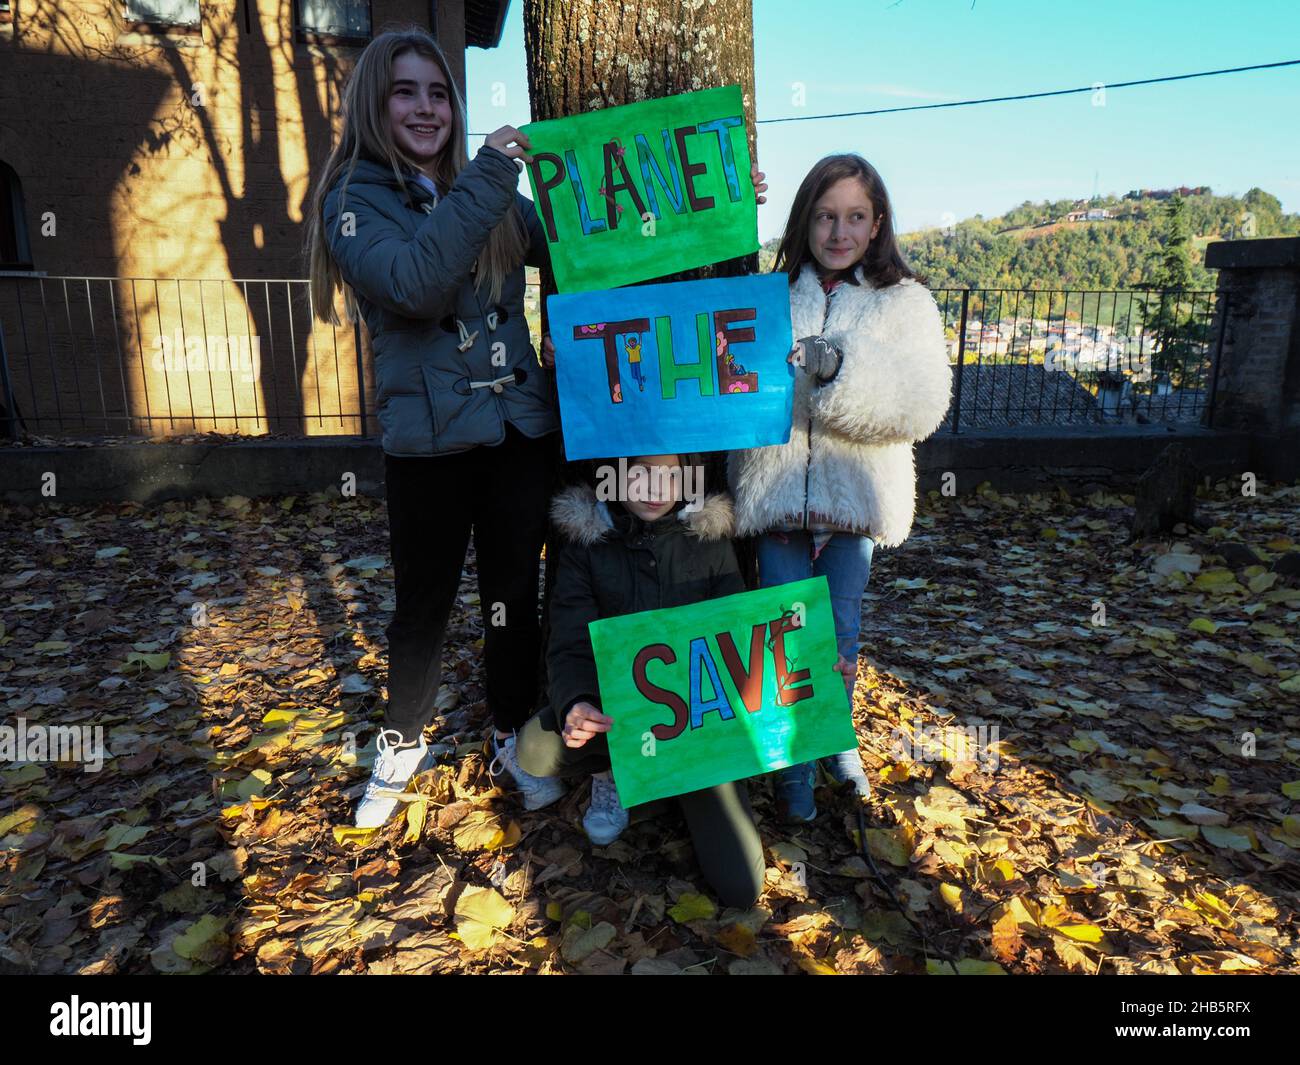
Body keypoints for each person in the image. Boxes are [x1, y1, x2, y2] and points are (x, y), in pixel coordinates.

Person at [304, 28, 565, 826]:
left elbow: (576, 236)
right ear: (375, 104)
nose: (426, 108)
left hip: (517, 431)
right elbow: (416, 282)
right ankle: (404, 739)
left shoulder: (476, 189)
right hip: (429, 448)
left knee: (514, 595)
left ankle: (512, 730)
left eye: (439, 92)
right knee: (423, 604)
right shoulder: (353, 198)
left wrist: (725, 201)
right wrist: (490, 170)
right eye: (406, 91)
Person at [728, 154, 953, 823]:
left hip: (853, 508)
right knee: (782, 640)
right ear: (805, 220)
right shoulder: (772, 296)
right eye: (825, 215)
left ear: (877, 221)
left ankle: (834, 738)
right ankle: (794, 772)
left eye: (855, 216)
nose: (838, 230)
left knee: (839, 639)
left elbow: (922, 400)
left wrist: (838, 370)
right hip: (775, 501)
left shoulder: (905, 302)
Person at [515, 454, 807, 910]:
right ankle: (612, 774)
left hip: (695, 728)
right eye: (637, 473)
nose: (654, 488)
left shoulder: (708, 537)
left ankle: (672, 786)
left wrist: (807, 660)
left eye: (669, 475)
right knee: (534, 748)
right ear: (611, 473)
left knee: (741, 888)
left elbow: (743, 636)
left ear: (689, 475)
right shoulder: (586, 541)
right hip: (621, 717)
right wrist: (577, 701)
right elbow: (568, 642)